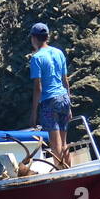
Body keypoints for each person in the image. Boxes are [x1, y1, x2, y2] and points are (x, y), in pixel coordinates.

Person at [28, 22, 72, 167]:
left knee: (55, 144)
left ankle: (62, 173)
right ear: (47, 37)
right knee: (64, 143)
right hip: (64, 98)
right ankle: (68, 168)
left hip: (49, 101)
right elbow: (65, 81)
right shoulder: (59, 52)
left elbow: (38, 88)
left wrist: (34, 114)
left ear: (34, 38)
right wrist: (69, 106)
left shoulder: (36, 58)